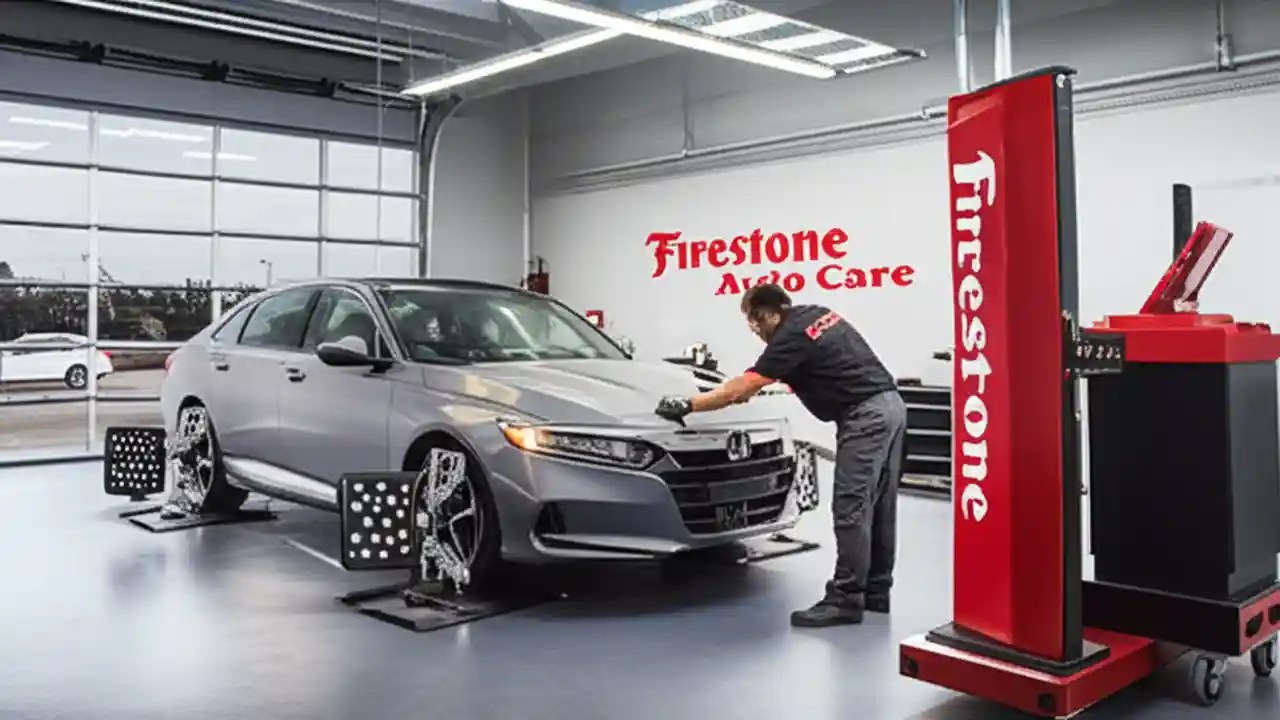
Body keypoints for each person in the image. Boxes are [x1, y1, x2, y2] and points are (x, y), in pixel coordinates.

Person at [654, 284, 906, 627]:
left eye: (759, 318)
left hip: (866, 416)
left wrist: (690, 404)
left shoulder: (788, 337)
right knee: (878, 506)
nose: (756, 327)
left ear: (778, 311)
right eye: (750, 321)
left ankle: (845, 599)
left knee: (850, 506)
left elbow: (743, 389)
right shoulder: (815, 313)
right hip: (891, 404)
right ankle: (876, 591)